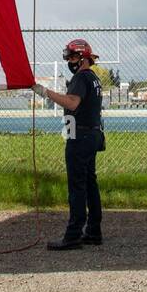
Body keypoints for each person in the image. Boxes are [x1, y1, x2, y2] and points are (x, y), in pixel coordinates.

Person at [32, 38, 104, 250]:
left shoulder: (81, 78)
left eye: (73, 57)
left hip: (79, 138)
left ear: (82, 58)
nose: (70, 61)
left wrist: (45, 92)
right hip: (92, 135)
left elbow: (72, 102)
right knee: (90, 183)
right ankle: (93, 231)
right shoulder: (93, 78)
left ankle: (73, 235)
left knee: (77, 186)